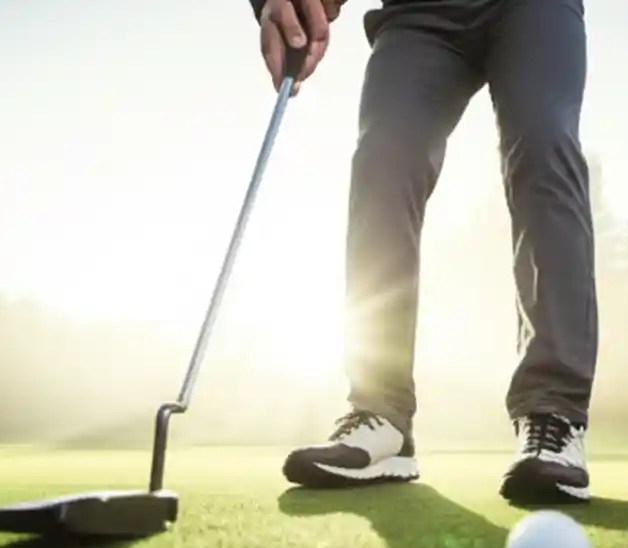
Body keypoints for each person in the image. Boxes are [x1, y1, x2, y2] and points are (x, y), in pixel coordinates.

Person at [248, 0, 598, 504]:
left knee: (543, 143)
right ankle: (380, 415)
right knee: (383, 158)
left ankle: (553, 416)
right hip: (419, 14)